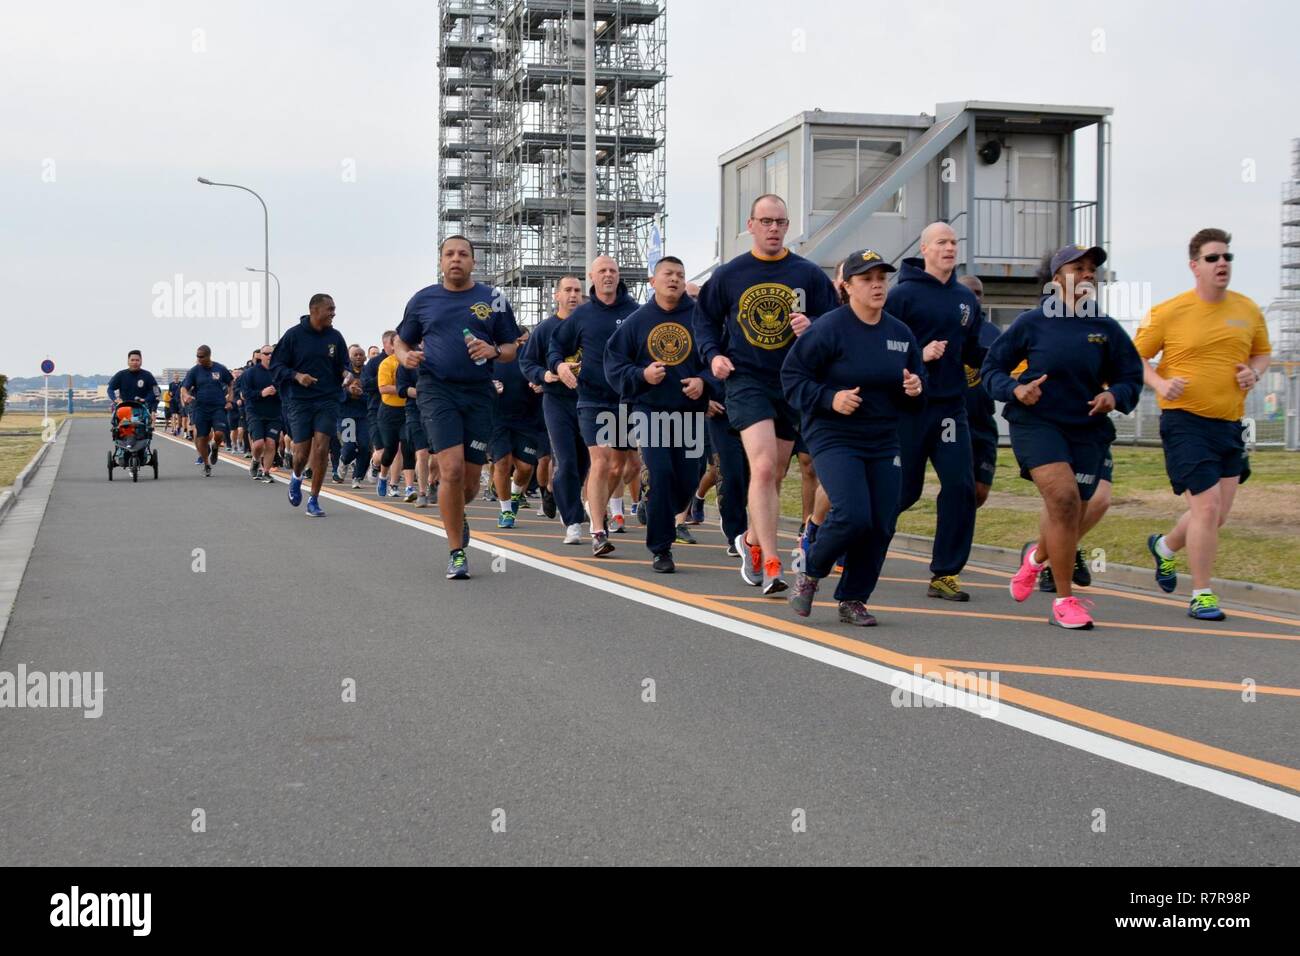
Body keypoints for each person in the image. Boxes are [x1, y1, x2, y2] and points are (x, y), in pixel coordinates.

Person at [982, 245, 1144, 630]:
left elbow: (1131, 377)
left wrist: (1113, 396)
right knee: (1064, 498)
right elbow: (992, 368)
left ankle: (1036, 559)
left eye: (1092, 270)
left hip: (1086, 427)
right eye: (1078, 268)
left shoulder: (1106, 328)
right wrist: (1015, 390)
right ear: (1057, 279)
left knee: (1071, 511)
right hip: (1037, 423)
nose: (1088, 275)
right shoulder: (1032, 323)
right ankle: (1063, 601)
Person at [693, 193, 838, 595]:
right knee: (761, 468)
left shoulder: (807, 274)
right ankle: (773, 566)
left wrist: (812, 326)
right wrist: (713, 356)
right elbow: (702, 320)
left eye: (780, 222)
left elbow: (834, 319)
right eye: (766, 221)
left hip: (791, 380)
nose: (774, 229)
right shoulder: (730, 274)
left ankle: (752, 542)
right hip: (745, 378)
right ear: (751, 225)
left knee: (776, 473)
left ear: (787, 227)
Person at [1135, 228, 1271, 621]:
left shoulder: (1247, 309)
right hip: (1184, 422)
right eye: (1213, 258)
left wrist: (1254, 373)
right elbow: (1134, 358)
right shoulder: (1169, 311)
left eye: (1227, 257)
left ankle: (1164, 548)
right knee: (1207, 507)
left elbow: (1261, 353)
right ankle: (1202, 594)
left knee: (1215, 515)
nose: (1222, 263)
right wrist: (1160, 382)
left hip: (1228, 423)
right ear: (1194, 266)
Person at [783, 249, 925, 625]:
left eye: (882, 278)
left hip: (882, 437)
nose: (877, 285)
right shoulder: (828, 329)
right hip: (834, 434)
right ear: (847, 286)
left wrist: (913, 388)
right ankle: (811, 572)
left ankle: (853, 598)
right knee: (852, 514)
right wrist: (831, 397)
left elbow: (916, 381)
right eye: (867, 279)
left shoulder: (899, 333)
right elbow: (793, 379)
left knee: (882, 521)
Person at [395, 234, 521, 580]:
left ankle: (456, 512)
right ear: (440, 261)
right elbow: (401, 341)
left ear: (473, 262)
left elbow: (511, 346)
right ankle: (456, 551)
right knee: (449, 469)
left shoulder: (492, 298)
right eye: (449, 254)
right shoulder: (423, 300)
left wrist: (493, 351)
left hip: (479, 393)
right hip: (437, 390)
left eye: (463, 254)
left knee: (467, 483)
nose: (456, 259)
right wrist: (407, 356)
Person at [886, 222, 988, 602]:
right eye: (942, 242)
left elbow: (976, 348)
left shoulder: (965, 298)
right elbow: (883, 346)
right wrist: (919, 355)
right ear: (925, 248)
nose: (950, 248)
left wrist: (1013, 364)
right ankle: (856, 545)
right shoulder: (902, 296)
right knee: (904, 490)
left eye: (954, 242)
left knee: (961, 486)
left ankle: (945, 573)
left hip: (949, 408)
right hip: (909, 408)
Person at [605, 256, 708, 572]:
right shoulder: (637, 321)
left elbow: (719, 358)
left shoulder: (701, 319)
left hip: (690, 415)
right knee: (660, 474)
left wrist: (705, 382)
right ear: (653, 281)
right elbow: (614, 365)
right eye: (668, 274)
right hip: (650, 410)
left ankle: (662, 507)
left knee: (687, 480)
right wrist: (642, 376)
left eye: (680, 274)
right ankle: (661, 549)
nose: (674, 279)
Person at [547, 255, 640, 557]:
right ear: (593, 276)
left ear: (619, 274)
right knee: (600, 460)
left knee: (619, 465)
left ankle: (593, 503)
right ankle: (598, 531)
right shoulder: (583, 315)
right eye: (602, 271)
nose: (608, 275)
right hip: (592, 398)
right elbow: (556, 346)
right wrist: (559, 366)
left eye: (613, 270)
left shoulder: (636, 312)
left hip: (624, 398)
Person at [520, 276, 588, 543]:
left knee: (584, 462)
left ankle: (566, 497)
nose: (573, 295)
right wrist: (543, 375)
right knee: (566, 459)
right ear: (556, 296)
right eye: (568, 290)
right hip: (557, 401)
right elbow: (526, 362)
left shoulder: (589, 324)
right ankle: (572, 519)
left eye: (578, 291)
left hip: (589, 401)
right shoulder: (545, 329)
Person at [270, 293, 349, 517]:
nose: (334, 313)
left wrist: (346, 374)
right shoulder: (293, 336)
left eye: (334, 309)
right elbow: (276, 366)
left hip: (328, 398)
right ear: (315, 310)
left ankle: (313, 500)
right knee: (302, 453)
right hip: (300, 401)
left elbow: (343, 364)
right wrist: (296, 376)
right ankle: (296, 477)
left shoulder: (335, 337)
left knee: (322, 448)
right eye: (330, 309)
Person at [490, 329, 544, 528]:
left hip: (527, 419)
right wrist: (490, 386)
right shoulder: (490, 357)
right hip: (498, 419)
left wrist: (540, 386)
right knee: (502, 463)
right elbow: (477, 381)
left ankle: (515, 494)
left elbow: (542, 377)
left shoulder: (528, 357)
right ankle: (505, 510)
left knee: (525, 467)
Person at [179, 345, 234, 477]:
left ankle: (215, 446)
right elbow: (184, 387)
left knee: (220, 433)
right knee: (202, 438)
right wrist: (186, 396)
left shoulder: (219, 368)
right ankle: (206, 464)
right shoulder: (194, 371)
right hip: (201, 408)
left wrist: (229, 400)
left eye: (201, 356)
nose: (199, 359)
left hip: (218, 407)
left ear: (209, 355)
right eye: (197, 356)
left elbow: (231, 383)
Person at [242, 345, 282, 482]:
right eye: (266, 353)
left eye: (272, 353)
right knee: (259, 444)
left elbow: (288, 392)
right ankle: (255, 460)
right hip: (255, 412)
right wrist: (261, 393)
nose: (269, 356)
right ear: (261, 356)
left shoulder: (279, 372)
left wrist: (278, 393)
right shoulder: (250, 373)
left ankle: (266, 472)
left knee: (271, 443)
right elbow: (245, 394)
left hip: (274, 413)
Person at [375, 342, 407, 500]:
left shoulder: (412, 362)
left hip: (407, 410)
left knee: (405, 447)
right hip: (389, 410)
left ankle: (394, 485)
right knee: (391, 449)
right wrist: (405, 389)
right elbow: (384, 388)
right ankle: (383, 476)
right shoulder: (387, 363)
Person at [339, 345, 372, 490]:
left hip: (364, 415)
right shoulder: (344, 372)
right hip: (346, 415)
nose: (358, 357)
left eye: (361, 354)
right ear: (350, 357)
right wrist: (348, 392)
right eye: (355, 355)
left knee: (365, 446)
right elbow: (336, 394)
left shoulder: (368, 372)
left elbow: (372, 394)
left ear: (365, 357)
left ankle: (357, 477)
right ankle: (343, 461)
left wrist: (361, 394)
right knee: (349, 446)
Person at [107, 350, 161, 417]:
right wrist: (115, 399)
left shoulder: (148, 375)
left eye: (137, 360)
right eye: (132, 360)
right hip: (124, 408)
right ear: (128, 361)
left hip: (142, 409)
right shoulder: (121, 375)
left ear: (141, 361)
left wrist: (146, 399)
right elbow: (110, 389)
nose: (135, 362)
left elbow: (156, 391)